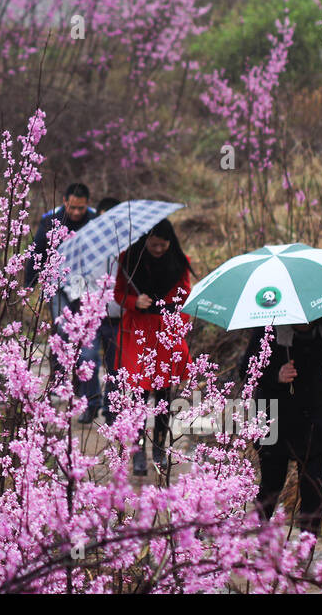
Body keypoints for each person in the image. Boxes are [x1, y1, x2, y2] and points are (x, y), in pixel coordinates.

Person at [240, 312, 322, 537]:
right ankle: (257, 544)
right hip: (273, 414)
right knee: (271, 484)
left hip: (313, 417)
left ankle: (308, 551)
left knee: (313, 489)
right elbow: (245, 370)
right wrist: (275, 374)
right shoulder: (268, 327)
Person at [111, 219, 194, 477]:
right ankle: (137, 451)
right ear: (146, 240)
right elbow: (118, 294)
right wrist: (137, 301)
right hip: (137, 329)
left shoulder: (180, 261)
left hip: (166, 330)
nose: (158, 249)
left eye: (163, 245)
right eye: (154, 244)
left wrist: (175, 322)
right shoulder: (129, 259)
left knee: (163, 392)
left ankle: (159, 447)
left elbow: (186, 296)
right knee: (137, 391)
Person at [24, 183, 98, 398]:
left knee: (82, 333)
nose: (76, 212)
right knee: (62, 328)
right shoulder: (50, 220)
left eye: (80, 208)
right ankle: (58, 380)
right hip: (55, 283)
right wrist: (29, 284)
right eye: (72, 207)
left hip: (84, 284)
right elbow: (37, 250)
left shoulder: (94, 220)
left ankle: (79, 382)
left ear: (87, 205)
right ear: (65, 201)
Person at [77, 196, 123, 424]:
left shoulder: (128, 244)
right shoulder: (86, 243)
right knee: (87, 358)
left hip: (118, 313)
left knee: (116, 364)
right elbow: (74, 274)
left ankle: (111, 409)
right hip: (91, 313)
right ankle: (91, 403)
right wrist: (81, 297)